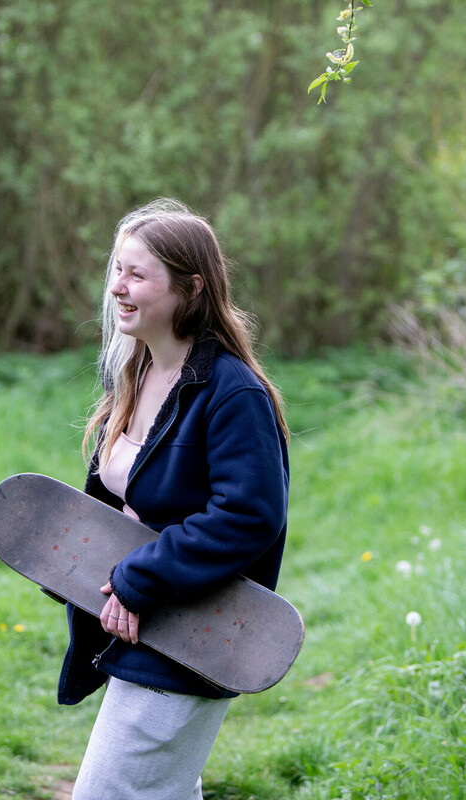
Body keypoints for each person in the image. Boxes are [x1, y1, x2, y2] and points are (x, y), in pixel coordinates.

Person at [59, 198, 291, 799]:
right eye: (116, 270)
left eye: (137, 274)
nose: (117, 287)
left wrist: (141, 578)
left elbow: (249, 515)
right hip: (142, 628)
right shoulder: (135, 373)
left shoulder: (231, 393)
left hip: (193, 633)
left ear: (189, 290)